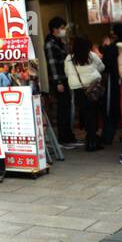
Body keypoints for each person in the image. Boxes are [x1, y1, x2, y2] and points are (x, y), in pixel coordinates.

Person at [64, 34, 105, 151]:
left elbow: (67, 73)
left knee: (85, 115)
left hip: (78, 90)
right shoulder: (91, 55)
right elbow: (102, 67)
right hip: (92, 89)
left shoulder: (69, 58)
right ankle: (92, 141)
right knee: (93, 114)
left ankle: (90, 139)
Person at [44, 17, 79, 148]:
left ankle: (69, 136)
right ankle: (64, 138)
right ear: (55, 29)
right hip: (59, 80)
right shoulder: (50, 43)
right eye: (62, 28)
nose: (64, 30)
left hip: (65, 78)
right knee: (62, 109)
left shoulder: (59, 41)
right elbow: (52, 64)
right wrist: (58, 82)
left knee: (67, 108)